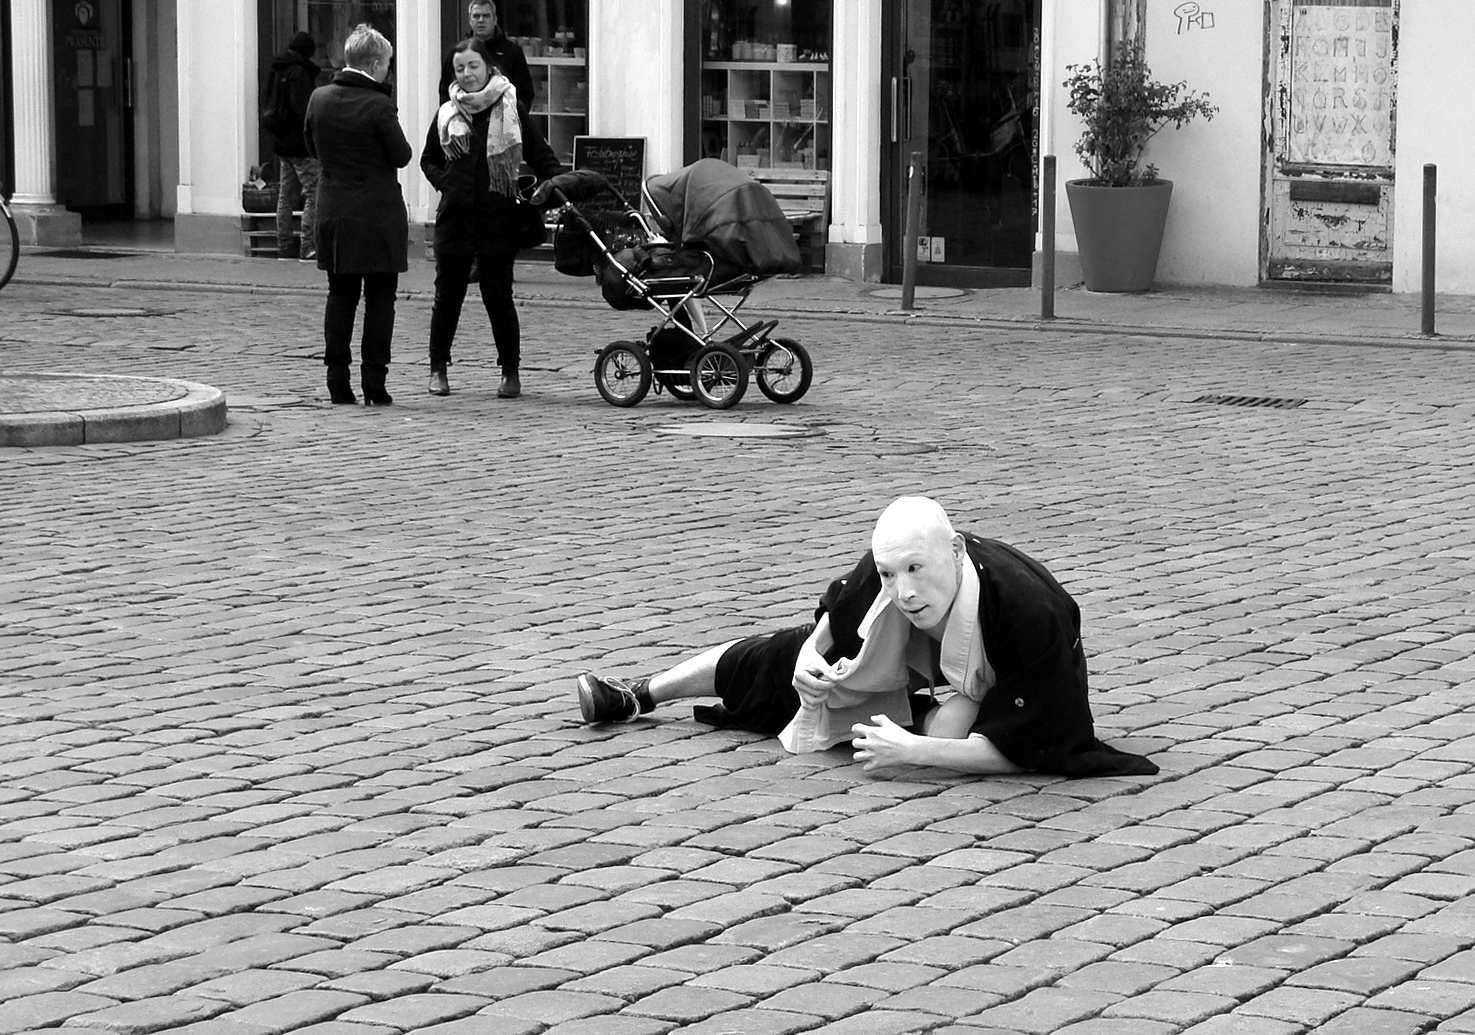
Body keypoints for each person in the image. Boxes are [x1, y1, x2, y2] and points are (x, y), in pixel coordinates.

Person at [576, 497, 1159, 779]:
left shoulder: (1032, 616)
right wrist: (808, 659)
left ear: (954, 553)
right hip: (921, 664)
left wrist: (914, 752)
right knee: (785, 657)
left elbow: (1037, 749)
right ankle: (641, 693)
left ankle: (920, 721)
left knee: (953, 736)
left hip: (994, 685)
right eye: (889, 574)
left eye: (916, 570)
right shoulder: (889, 562)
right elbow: (833, 620)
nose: (903, 591)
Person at [421, 38, 560, 400]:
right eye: (459, 69)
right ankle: (438, 368)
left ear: (488, 67)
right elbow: (428, 159)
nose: (466, 75)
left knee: (498, 297)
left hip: (498, 217)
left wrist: (547, 192)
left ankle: (510, 372)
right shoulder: (447, 113)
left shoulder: (511, 109)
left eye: (472, 66)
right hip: (455, 218)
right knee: (446, 298)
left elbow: (545, 159)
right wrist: (446, 183)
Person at [304, 24, 412, 406]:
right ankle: (374, 383)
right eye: (387, 64)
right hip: (377, 214)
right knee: (380, 300)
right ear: (377, 62)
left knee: (341, 296)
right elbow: (401, 155)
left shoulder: (319, 98)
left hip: (333, 209)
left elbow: (312, 148)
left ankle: (337, 382)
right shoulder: (379, 105)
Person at [261, 31, 322, 261]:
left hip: (282, 144)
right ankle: (308, 245)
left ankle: (284, 245)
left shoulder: (278, 69)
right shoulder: (299, 73)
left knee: (286, 196)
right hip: (301, 146)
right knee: (314, 192)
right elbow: (303, 111)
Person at [438, 0, 535, 111]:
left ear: (495, 20)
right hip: (465, 117)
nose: (481, 20)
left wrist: (514, 115)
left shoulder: (512, 51)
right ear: (470, 20)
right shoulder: (457, 54)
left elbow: (525, 93)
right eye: (476, 16)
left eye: (486, 16)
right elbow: (445, 91)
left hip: (504, 118)